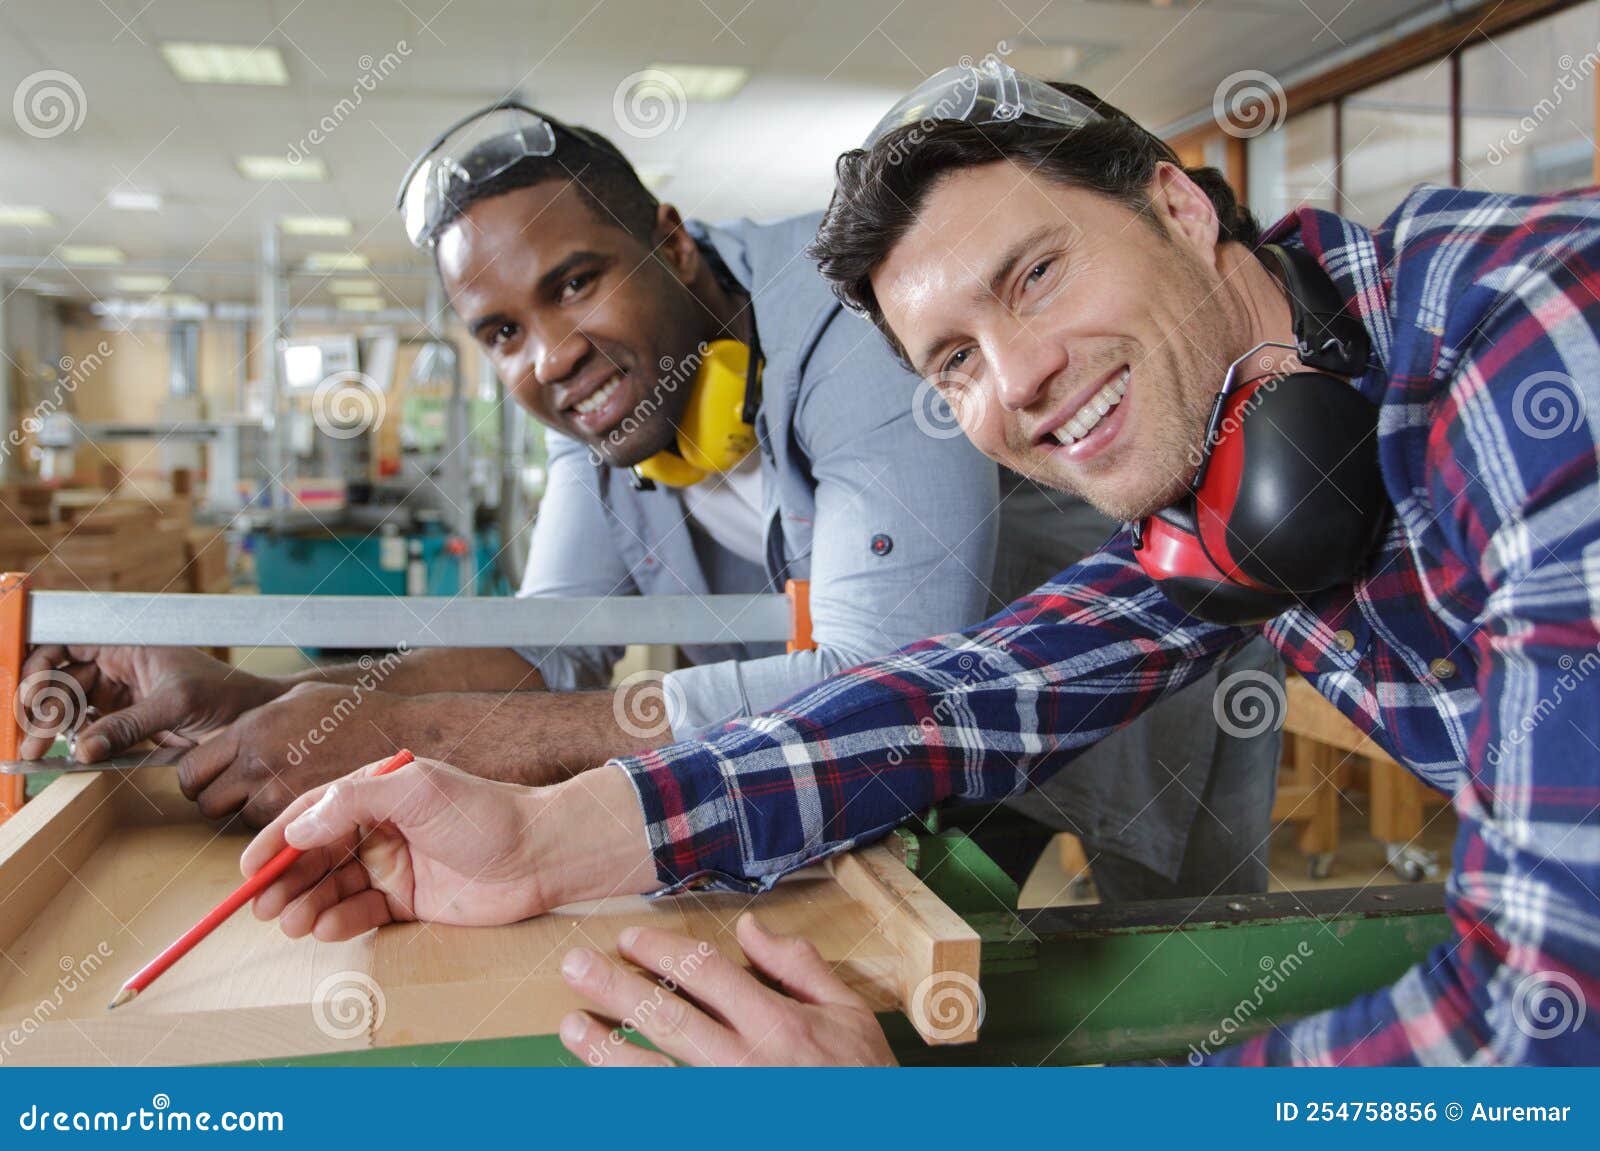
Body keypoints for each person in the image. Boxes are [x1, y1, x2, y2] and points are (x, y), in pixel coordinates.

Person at [241, 59, 1600, 1066]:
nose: (1020, 386)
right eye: (952, 360)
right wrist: (553, 836)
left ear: (1179, 208)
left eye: (1037, 275)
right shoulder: (1233, 436)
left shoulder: (1537, 348)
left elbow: (1535, 1033)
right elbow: (963, 695)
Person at [17, 100, 1281, 908]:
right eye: (501, 331)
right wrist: (254, 697)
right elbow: (538, 646)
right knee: (933, 970)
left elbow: (882, 671)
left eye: (576, 283)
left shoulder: (848, 321)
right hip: (895, 751)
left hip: (1135, 683)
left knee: (1182, 972)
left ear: (670, 244)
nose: (549, 354)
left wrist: (423, 730)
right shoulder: (611, 408)